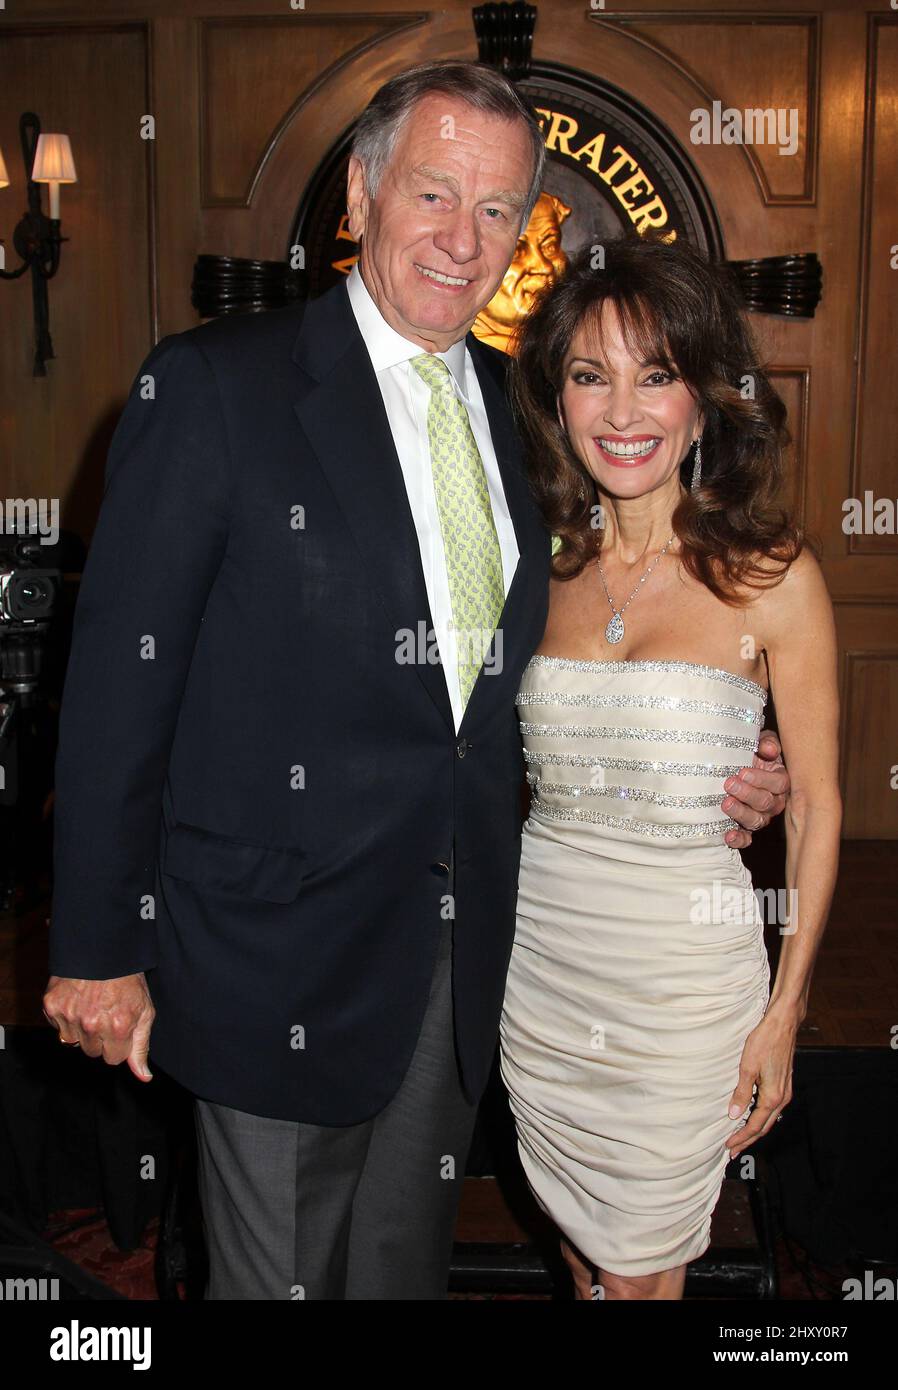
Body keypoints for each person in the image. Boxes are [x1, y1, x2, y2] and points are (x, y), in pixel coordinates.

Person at [42, 61, 789, 1300]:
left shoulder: (520, 413)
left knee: (395, 1281)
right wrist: (96, 946)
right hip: (270, 952)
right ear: (360, 193)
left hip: (462, 970)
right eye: (434, 193)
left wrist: (715, 767)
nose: (464, 238)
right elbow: (122, 688)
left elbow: (579, 654)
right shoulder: (218, 385)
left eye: (498, 210)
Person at [499, 235, 841, 1301]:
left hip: (685, 995)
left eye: (657, 374)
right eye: (590, 376)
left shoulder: (771, 577)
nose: (623, 411)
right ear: (558, 403)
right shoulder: (530, 572)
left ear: (703, 396)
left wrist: (784, 1012)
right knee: (577, 1249)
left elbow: (824, 811)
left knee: (642, 1270)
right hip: (542, 978)